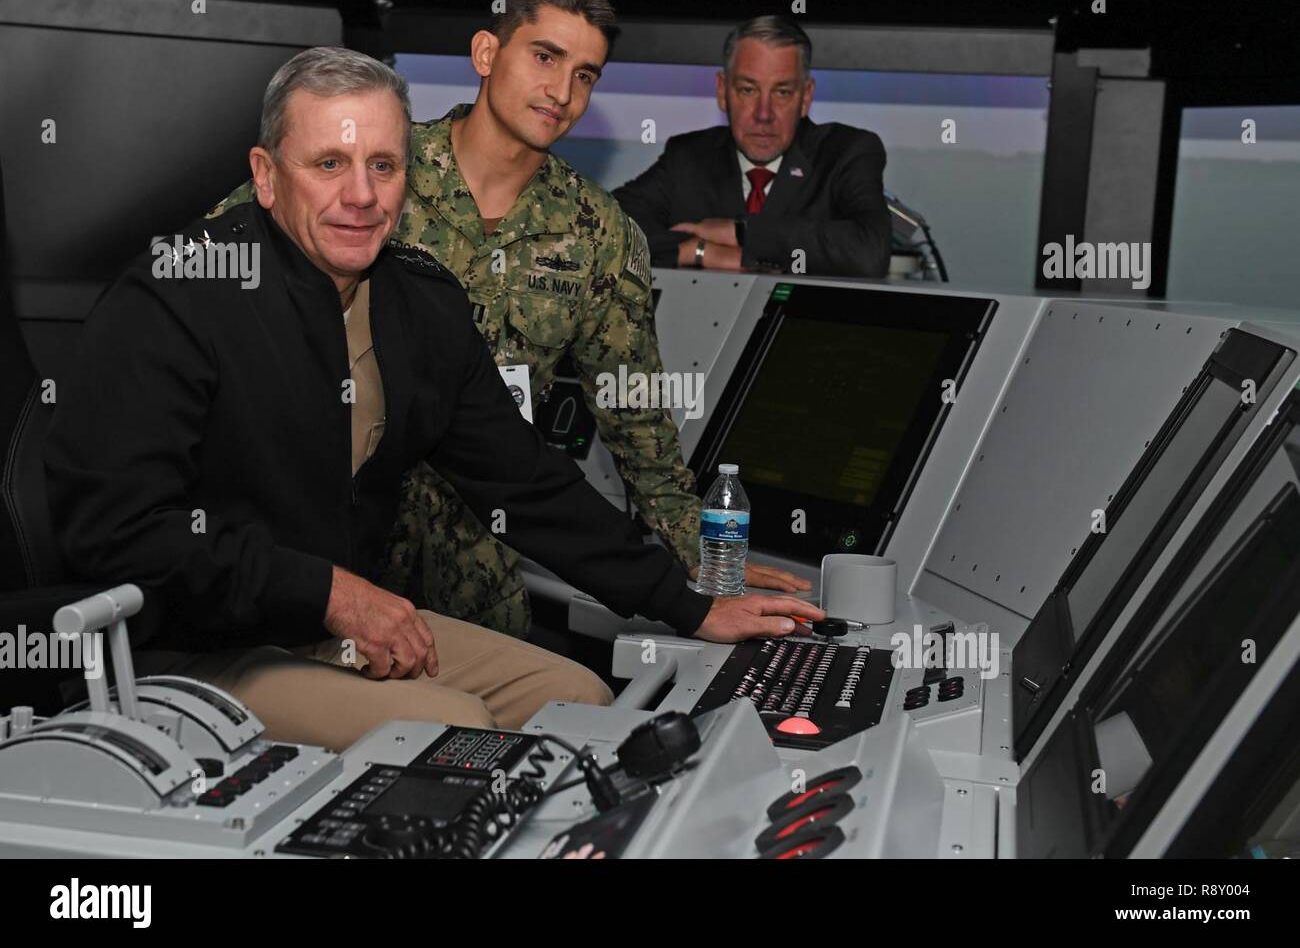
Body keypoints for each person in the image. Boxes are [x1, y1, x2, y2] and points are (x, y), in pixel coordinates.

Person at [43, 46, 823, 752]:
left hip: (326, 628)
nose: (361, 196)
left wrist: (687, 605)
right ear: (266, 173)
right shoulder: (176, 297)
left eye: (383, 166)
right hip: (187, 647)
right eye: (328, 164)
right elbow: (117, 532)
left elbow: (527, 483)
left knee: (581, 703)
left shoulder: (417, 305)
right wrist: (330, 593)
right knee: (457, 737)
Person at [207, 0, 809, 641]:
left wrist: (703, 560)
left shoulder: (599, 234)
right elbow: (215, 275)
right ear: (488, 53)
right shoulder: (376, 170)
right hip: (327, 557)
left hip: (480, 564)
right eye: (545, 57)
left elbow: (634, 416)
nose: (561, 91)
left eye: (586, 74)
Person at [613, 15, 892, 277]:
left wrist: (742, 234)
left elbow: (869, 252)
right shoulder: (690, 156)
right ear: (722, 92)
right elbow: (604, 227)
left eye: (782, 92)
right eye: (748, 90)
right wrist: (698, 251)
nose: (764, 114)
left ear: (806, 97)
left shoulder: (845, 153)